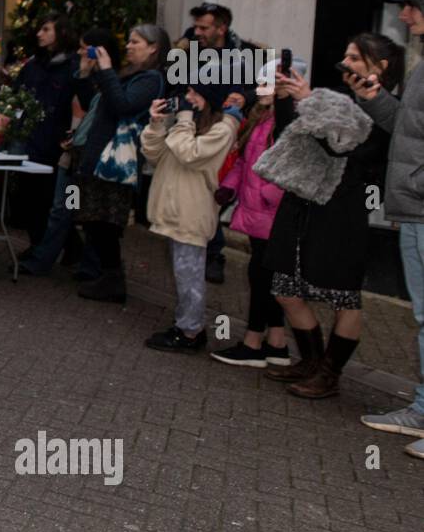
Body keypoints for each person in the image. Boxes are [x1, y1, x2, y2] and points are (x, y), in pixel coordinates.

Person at [262, 38, 397, 399]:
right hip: (303, 199)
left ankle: (329, 374)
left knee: (344, 296)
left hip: (343, 207)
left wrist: (309, 101)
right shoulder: (334, 95)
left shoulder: (386, 111)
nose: (344, 61)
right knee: (285, 288)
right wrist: (286, 100)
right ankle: (312, 362)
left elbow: (340, 144)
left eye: (354, 57)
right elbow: (293, 135)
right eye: (346, 53)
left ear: (379, 65)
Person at [352, 0, 424, 454]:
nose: (403, 15)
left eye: (411, 6)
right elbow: (409, 128)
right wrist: (374, 97)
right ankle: (421, 410)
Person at [141, 82, 241, 351]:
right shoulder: (188, 125)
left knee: (189, 277)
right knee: (183, 274)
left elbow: (190, 154)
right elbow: (154, 155)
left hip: (192, 213)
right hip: (175, 211)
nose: (188, 98)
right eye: (187, 92)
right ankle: (186, 325)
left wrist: (183, 119)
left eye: (195, 93)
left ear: (211, 98)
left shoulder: (223, 128)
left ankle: (190, 333)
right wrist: (157, 124)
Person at [74, 25, 170, 303]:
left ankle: (112, 280)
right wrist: (85, 72)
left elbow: (123, 105)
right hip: (98, 156)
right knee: (93, 219)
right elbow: (88, 103)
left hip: (116, 161)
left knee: (105, 222)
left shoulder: (151, 80)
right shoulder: (130, 75)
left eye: (135, 42)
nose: (128, 46)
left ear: (153, 48)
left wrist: (105, 70)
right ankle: (105, 276)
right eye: (128, 41)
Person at [209, 76, 291, 367]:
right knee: (263, 275)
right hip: (256, 210)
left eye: (268, 83)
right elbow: (245, 161)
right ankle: (277, 343)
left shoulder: (286, 123)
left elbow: (291, 166)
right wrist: (229, 186)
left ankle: (254, 343)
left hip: (271, 212)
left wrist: (271, 195)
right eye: (261, 83)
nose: (260, 89)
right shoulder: (261, 118)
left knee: (262, 277)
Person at [19, 28, 112, 278]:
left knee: (67, 209)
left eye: (86, 48)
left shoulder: (106, 79)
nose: (80, 52)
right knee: (63, 208)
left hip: (83, 157)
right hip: (73, 152)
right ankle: (69, 256)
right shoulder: (82, 73)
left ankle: (63, 260)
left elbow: (98, 109)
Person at [181, 2, 261, 285]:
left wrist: (246, 98)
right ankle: (207, 250)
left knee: (216, 193)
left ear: (221, 28)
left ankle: (213, 253)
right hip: (198, 131)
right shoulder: (190, 50)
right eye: (197, 26)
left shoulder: (248, 54)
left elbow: (265, 88)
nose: (198, 32)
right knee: (200, 192)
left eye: (204, 27)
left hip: (232, 136)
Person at [14, 12, 80, 259]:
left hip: (57, 141)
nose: (40, 34)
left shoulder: (72, 66)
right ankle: (39, 245)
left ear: (61, 33)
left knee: (55, 200)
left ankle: (66, 248)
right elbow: (18, 93)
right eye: (40, 29)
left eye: (46, 29)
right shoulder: (33, 65)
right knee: (32, 197)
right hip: (31, 139)